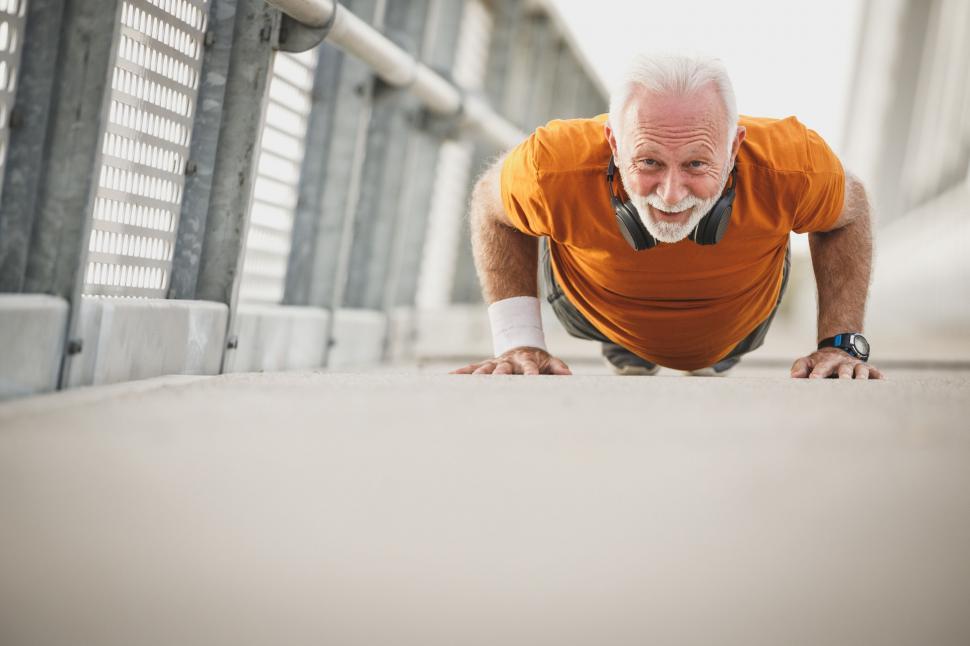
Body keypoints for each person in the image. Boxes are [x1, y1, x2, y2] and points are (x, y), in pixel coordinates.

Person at [451, 53, 884, 380]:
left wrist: (843, 346)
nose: (671, 194)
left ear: (734, 148)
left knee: (718, 353)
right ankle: (625, 345)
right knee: (622, 339)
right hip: (594, 309)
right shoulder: (552, 164)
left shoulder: (793, 164)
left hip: (737, 321)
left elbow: (851, 211)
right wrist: (517, 343)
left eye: (696, 164)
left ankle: (712, 354)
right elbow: (491, 206)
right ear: (614, 145)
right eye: (649, 163)